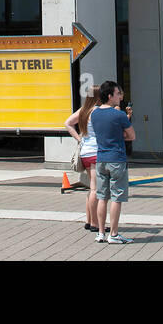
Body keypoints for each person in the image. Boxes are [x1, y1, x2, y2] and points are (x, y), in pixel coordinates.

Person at [91, 80, 136, 244]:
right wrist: (120, 135)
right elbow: (132, 136)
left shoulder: (94, 113)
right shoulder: (119, 115)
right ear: (110, 96)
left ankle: (101, 232)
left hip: (101, 158)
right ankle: (114, 234)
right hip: (116, 158)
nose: (120, 96)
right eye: (117, 93)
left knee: (102, 197)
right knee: (117, 197)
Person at [64, 85, 103, 231]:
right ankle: (95, 223)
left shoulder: (84, 110)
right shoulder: (97, 111)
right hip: (95, 152)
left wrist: (79, 139)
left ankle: (89, 220)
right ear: (99, 97)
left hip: (85, 153)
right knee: (95, 189)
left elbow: (67, 123)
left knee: (90, 188)